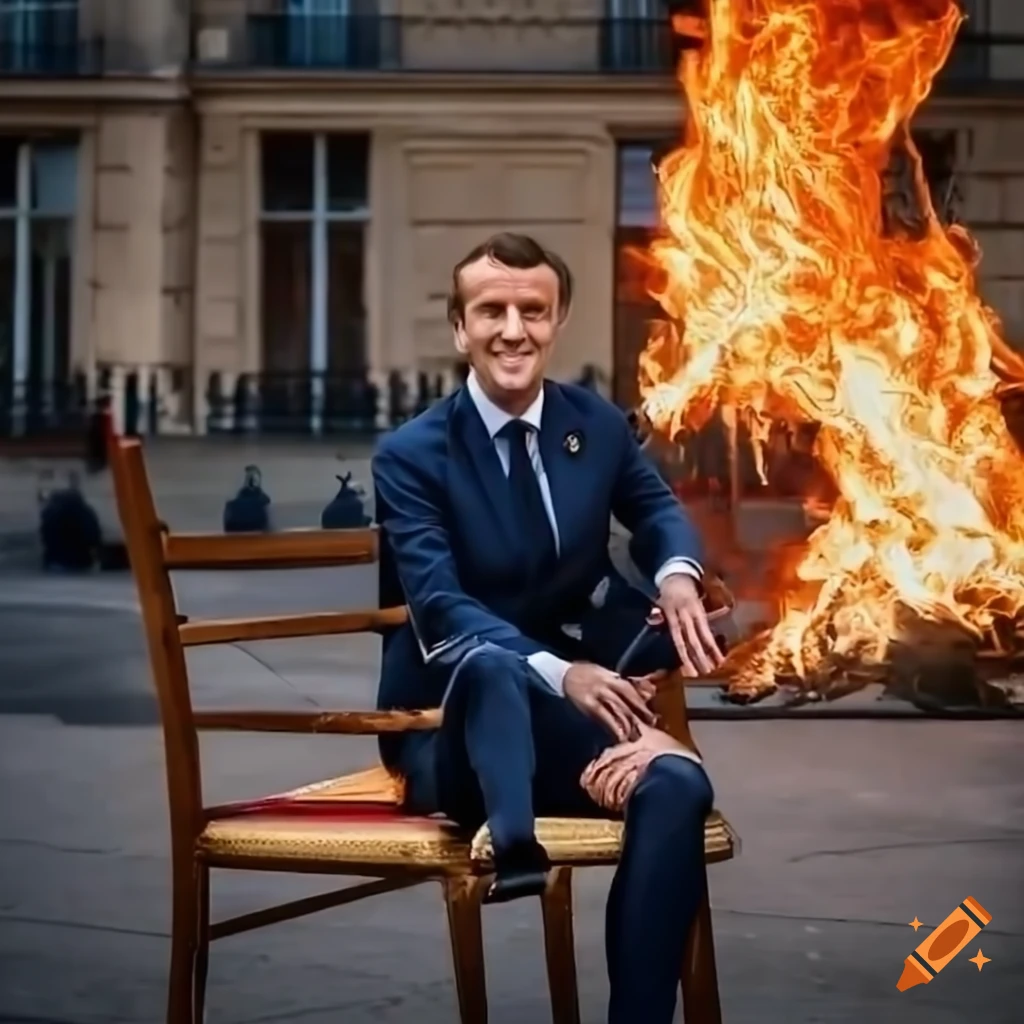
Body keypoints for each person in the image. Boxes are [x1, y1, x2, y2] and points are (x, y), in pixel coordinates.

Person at [372, 232, 724, 1024]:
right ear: (459, 328)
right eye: (490, 310)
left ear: (557, 321)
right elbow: (439, 604)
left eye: (532, 310)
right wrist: (563, 672)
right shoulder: (411, 454)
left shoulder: (592, 425)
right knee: (492, 666)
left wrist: (675, 579)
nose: (512, 329)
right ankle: (513, 838)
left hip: (570, 720)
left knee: (678, 784)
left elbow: (658, 511)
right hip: (452, 730)